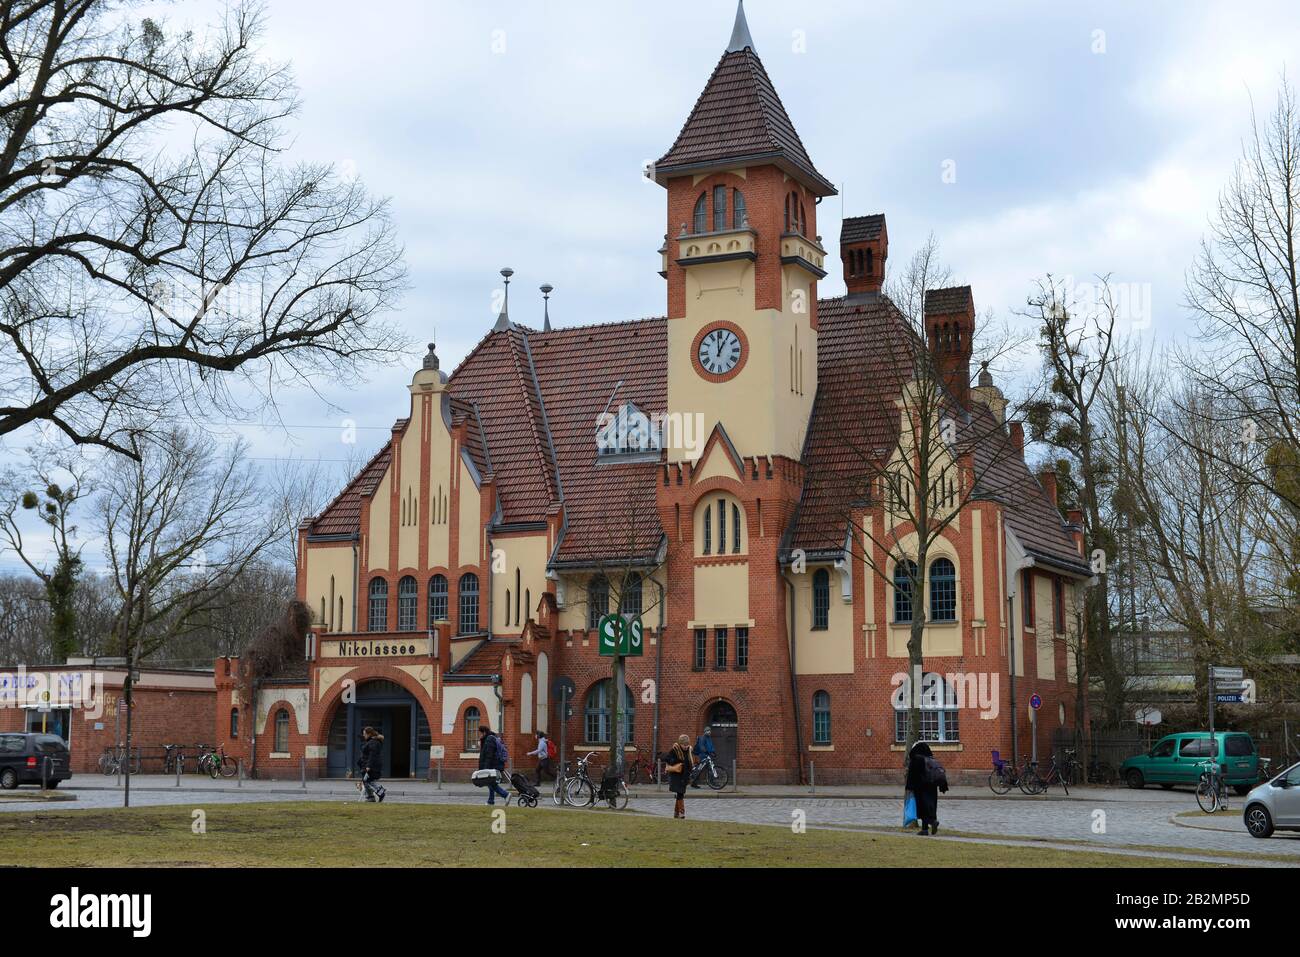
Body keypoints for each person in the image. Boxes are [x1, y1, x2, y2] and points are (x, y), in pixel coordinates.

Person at [905, 740, 948, 835]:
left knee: (922, 807)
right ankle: (925, 828)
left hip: (920, 787)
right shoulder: (931, 759)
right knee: (931, 806)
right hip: (932, 787)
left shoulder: (917, 759)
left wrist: (909, 787)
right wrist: (943, 786)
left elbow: (912, 775)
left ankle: (932, 823)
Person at [663, 733, 695, 819]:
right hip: (676, 775)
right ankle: (682, 813)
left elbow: (690, 763)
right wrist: (677, 761)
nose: (685, 746)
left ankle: (676, 813)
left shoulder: (689, 751)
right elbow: (667, 759)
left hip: (685, 775)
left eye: (687, 744)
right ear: (680, 743)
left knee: (680, 793)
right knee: (680, 793)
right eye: (684, 744)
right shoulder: (675, 749)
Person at [478, 724, 511, 806]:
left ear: (484, 732)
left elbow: (489, 755)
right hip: (493, 764)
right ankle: (491, 801)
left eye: (480, 733)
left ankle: (505, 795)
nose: (479, 735)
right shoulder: (491, 738)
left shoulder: (489, 739)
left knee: (491, 783)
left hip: (492, 765)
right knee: (490, 782)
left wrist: (486, 768)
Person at [358, 726, 387, 804]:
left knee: (369, 781)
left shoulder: (373, 742)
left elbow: (372, 755)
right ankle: (370, 797)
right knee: (366, 781)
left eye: (364, 734)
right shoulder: (371, 741)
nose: (363, 735)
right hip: (368, 764)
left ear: (369, 734)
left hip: (371, 766)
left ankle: (380, 793)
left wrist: (368, 766)